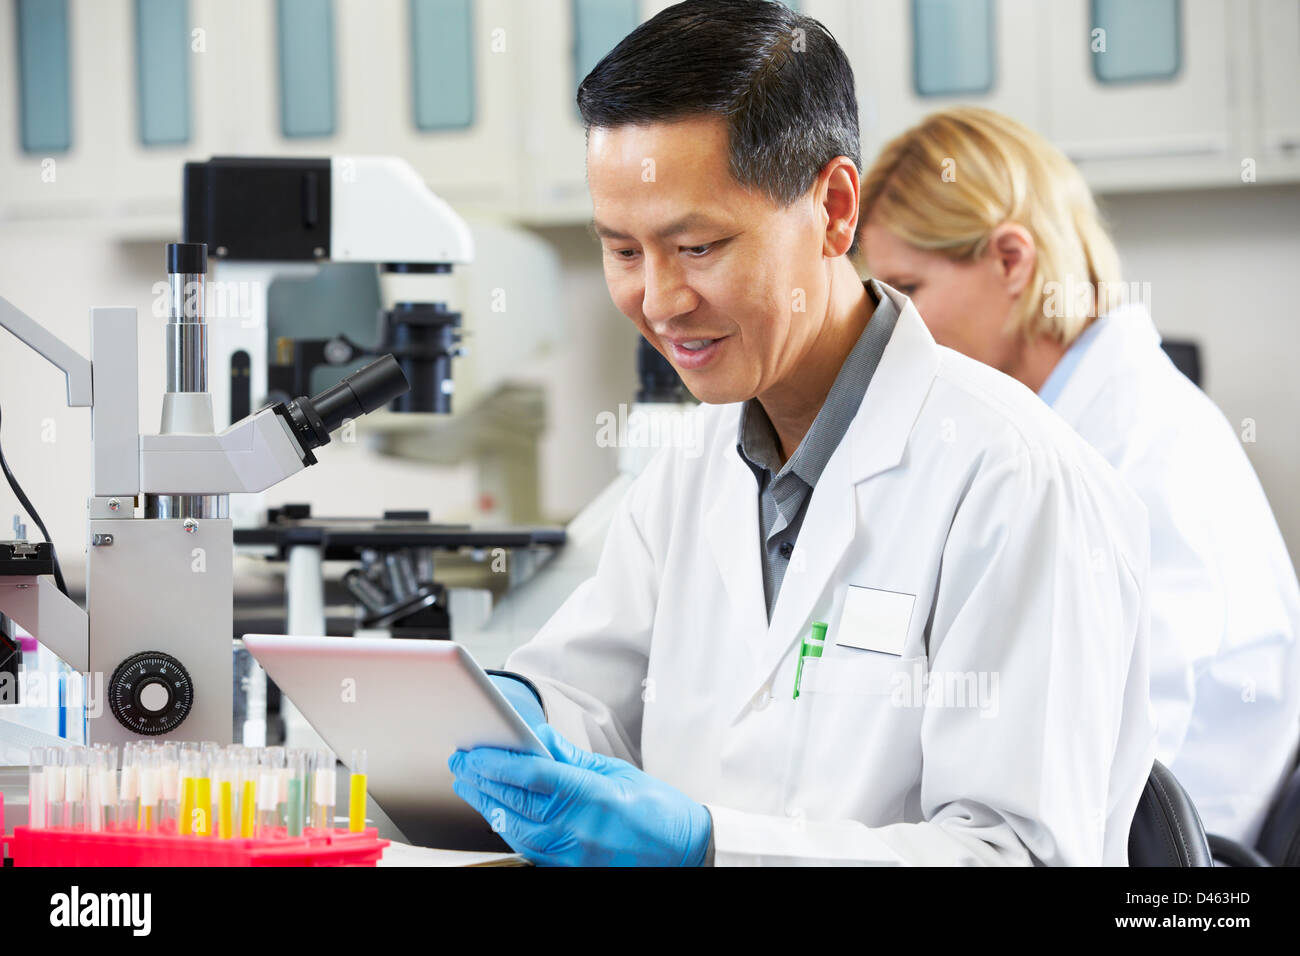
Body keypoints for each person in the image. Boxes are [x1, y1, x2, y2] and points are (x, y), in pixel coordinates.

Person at [449, 0, 1155, 866]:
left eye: (699, 246)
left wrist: (712, 848)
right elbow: (586, 698)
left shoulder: (1015, 481)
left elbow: (1024, 856)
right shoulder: (690, 470)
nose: (661, 301)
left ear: (834, 208)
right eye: (623, 252)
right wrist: (508, 711)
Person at [856, 105, 1300, 846]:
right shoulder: (1047, 422)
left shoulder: (1144, 445)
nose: (889, 325)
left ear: (1010, 260)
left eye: (908, 288)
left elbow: (1126, 748)